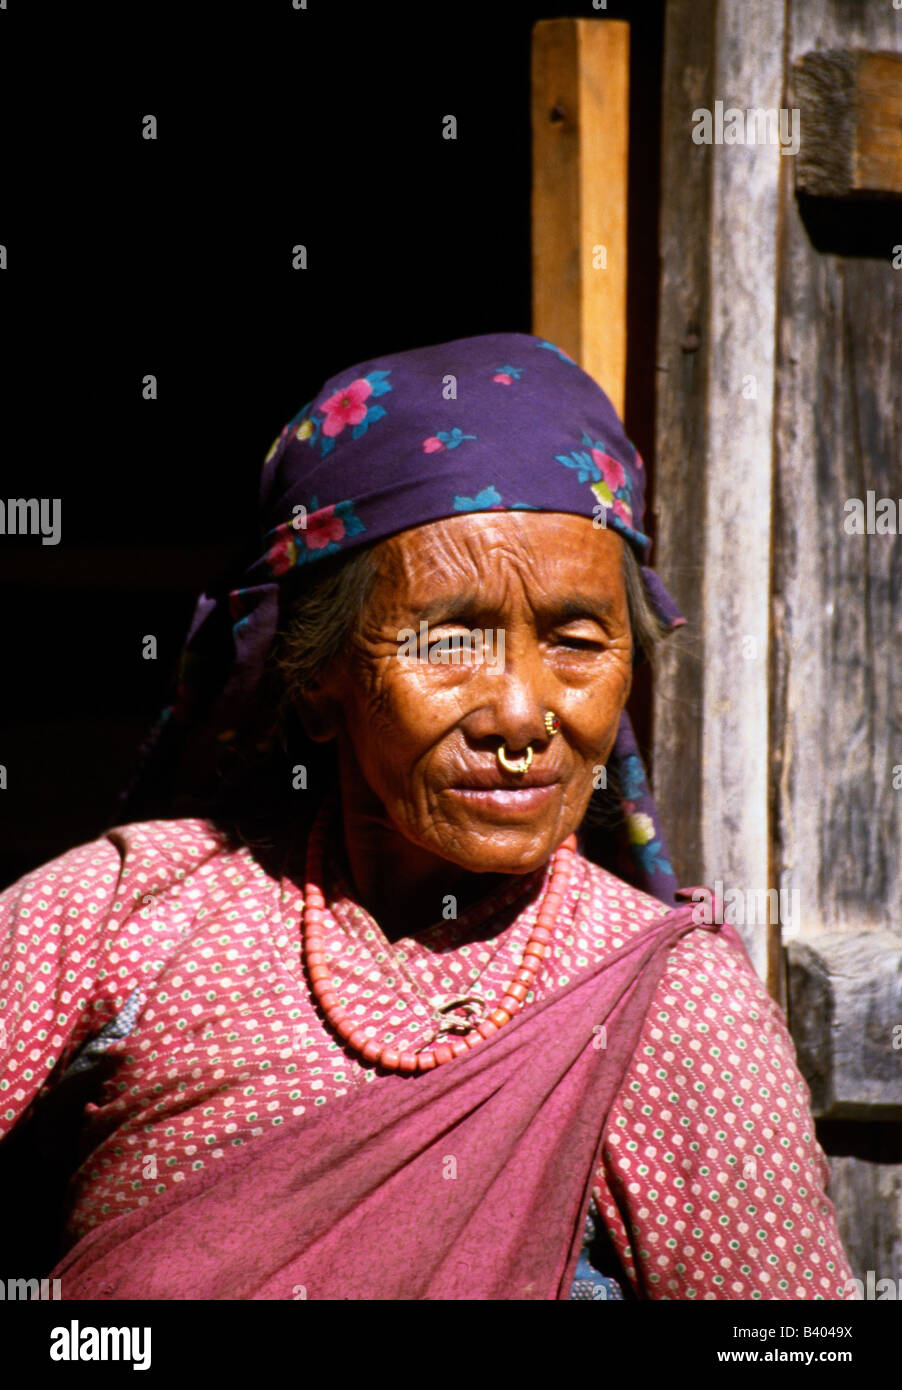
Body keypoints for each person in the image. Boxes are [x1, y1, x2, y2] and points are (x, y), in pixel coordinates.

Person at [0, 332, 855, 1300]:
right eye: (448, 641)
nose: (521, 715)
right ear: (317, 680)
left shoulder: (670, 1004)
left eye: (577, 642)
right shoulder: (128, 912)